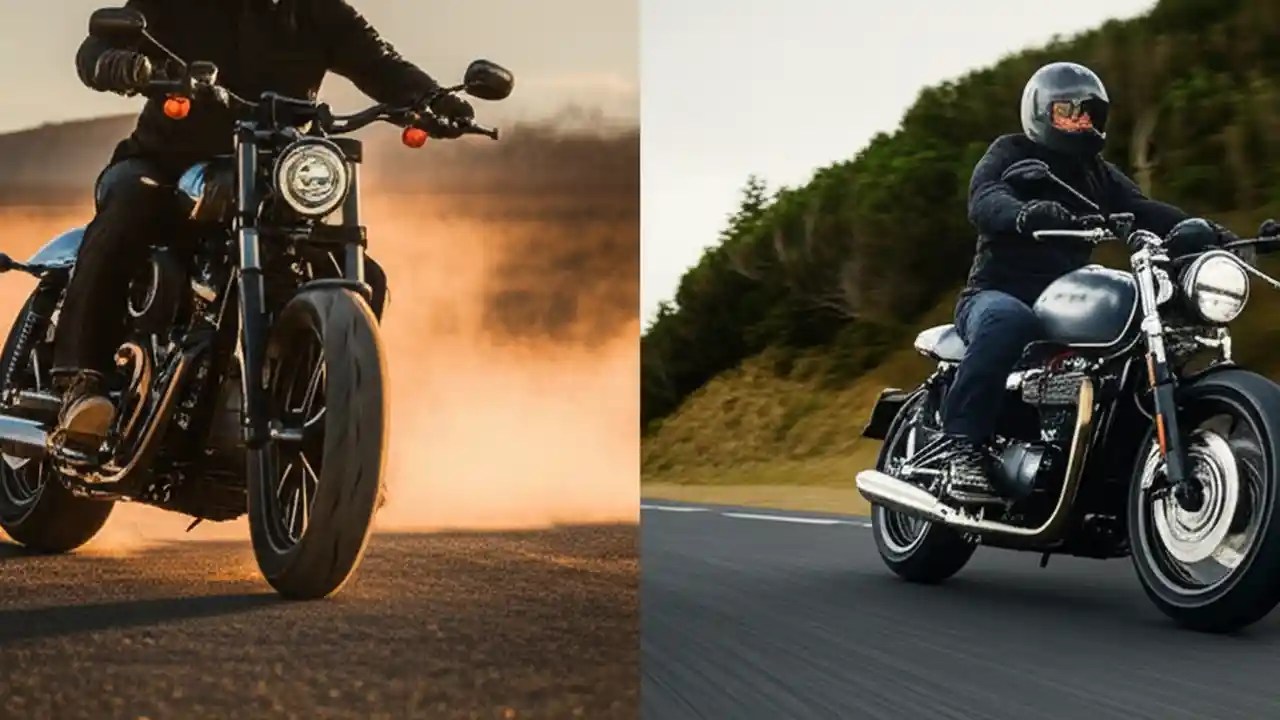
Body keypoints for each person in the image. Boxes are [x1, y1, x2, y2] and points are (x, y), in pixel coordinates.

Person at [54, 0, 475, 444]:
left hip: (271, 181)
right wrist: (117, 64)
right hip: (166, 163)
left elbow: (381, 64)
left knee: (362, 277)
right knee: (129, 207)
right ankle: (84, 381)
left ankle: (331, 437)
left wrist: (435, 100)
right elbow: (96, 49)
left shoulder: (319, 11)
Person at [939, 61, 1235, 504]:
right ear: (1040, 112)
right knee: (1008, 321)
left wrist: (1212, 232)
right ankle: (962, 449)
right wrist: (1023, 214)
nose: (1079, 122)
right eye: (1067, 112)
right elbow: (986, 197)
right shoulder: (1011, 152)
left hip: (1064, 300)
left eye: (1088, 114)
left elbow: (1145, 210)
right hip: (996, 292)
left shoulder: (1098, 173)